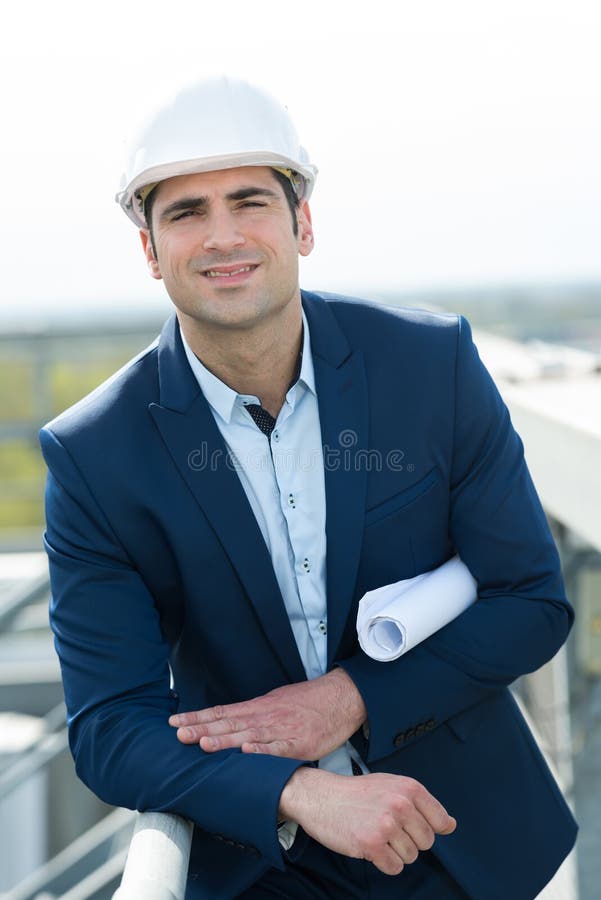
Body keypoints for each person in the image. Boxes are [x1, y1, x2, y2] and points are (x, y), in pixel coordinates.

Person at [40, 76, 577, 899]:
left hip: (465, 841)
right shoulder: (94, 455)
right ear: (149, 249)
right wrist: (296, 791)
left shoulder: (429, 366)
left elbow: (529, 598)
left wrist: (348, 698)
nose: (222, 236)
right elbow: (110, 727)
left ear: (304, 223)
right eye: (186, 213)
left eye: (249, 202)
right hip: (262, 862)